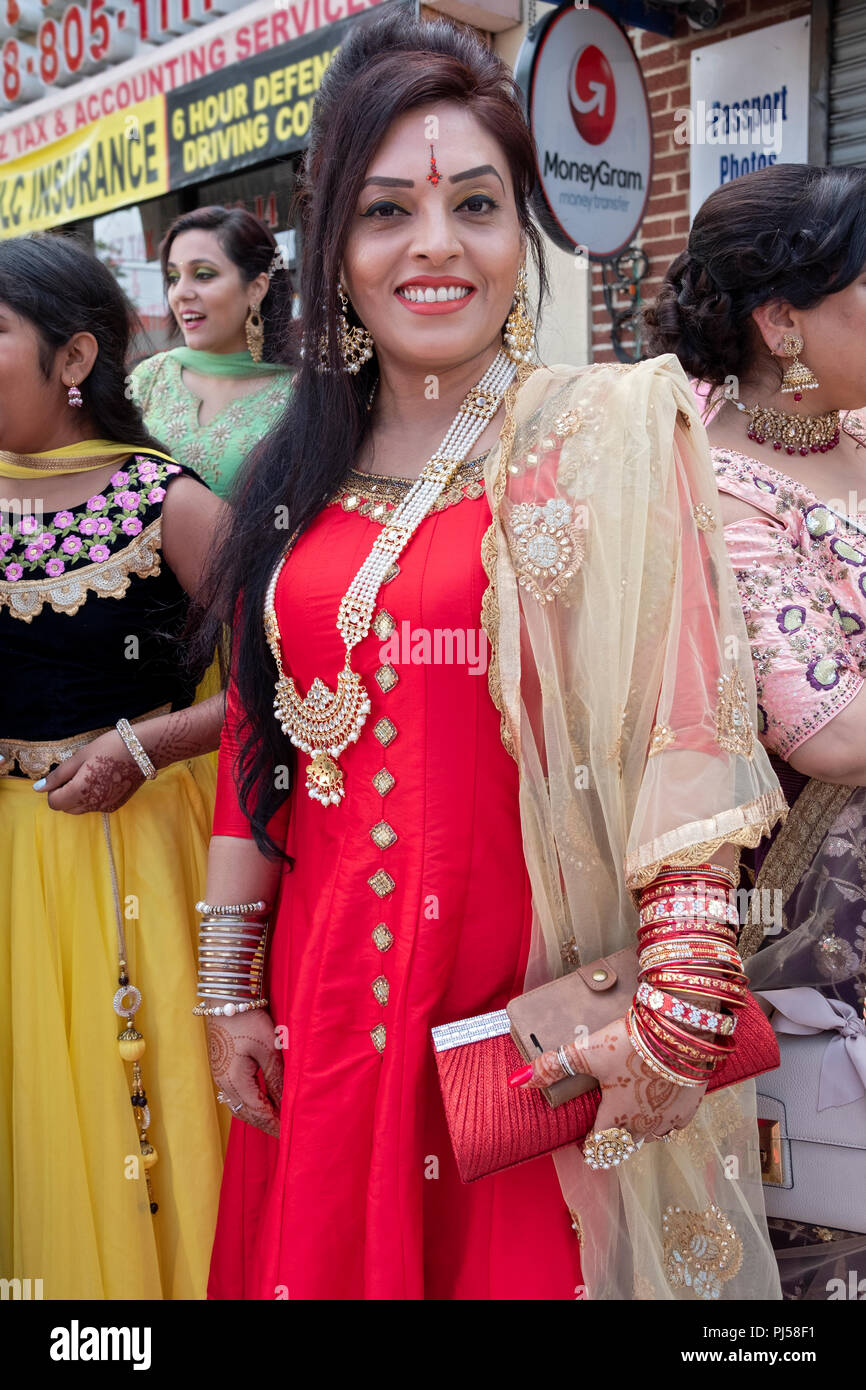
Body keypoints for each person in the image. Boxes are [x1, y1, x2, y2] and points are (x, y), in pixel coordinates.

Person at [195, 9, 786, 1301]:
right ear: (333, 248)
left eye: (474, 203)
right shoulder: (288, 477)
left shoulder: (602, 440)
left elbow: (683, 723)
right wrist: (226, 988)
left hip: (523, 1005)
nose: (435, 247)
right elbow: (260, 741)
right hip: (331, 997)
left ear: (522, 234)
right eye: (388, 210)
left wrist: (682, 978)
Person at [645, 163, 866, 1298]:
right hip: (815, 939)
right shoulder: (709, 483)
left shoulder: (854, 434)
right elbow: (827, 723)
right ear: (781, 322)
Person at [0, 233, 230, 1299]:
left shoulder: (167, 503)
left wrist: (146, 744)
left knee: (148, 1113)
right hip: (13, 865)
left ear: (74, 358)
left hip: (141, 858)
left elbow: (290, 687)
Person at [129, 206, 295, 501]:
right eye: (173, 278)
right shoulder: (149, 379)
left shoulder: (303, 394)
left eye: (203, 275)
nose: (180, 293)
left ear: (256, 289)